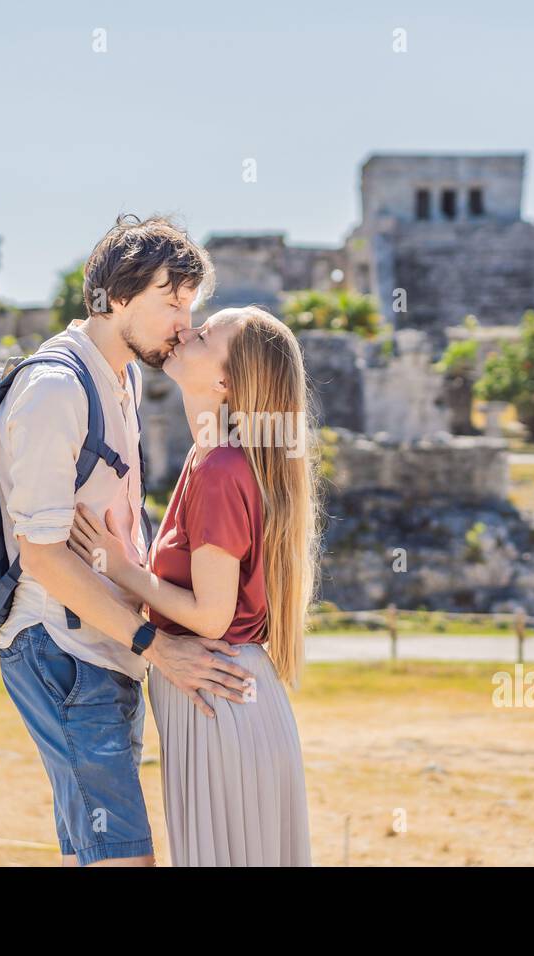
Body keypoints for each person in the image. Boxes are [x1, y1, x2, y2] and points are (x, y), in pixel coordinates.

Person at [0, 215, 254, 868]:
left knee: (100, 854)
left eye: (190, 305)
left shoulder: (121, 380)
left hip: (103, 648)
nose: (183, 322)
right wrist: (156, 645)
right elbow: (43, 553)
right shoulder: (56, 387)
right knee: (123, 859)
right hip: (62, 648)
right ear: (114, 297)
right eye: (171, 300)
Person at [70, 305, 317, 866]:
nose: (185, 330)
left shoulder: (220, 468)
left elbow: (209, 616)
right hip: (220, 695)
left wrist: (119, 567)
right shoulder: (209, 458)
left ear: (226, 382)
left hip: (220, 698)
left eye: (204, 335)